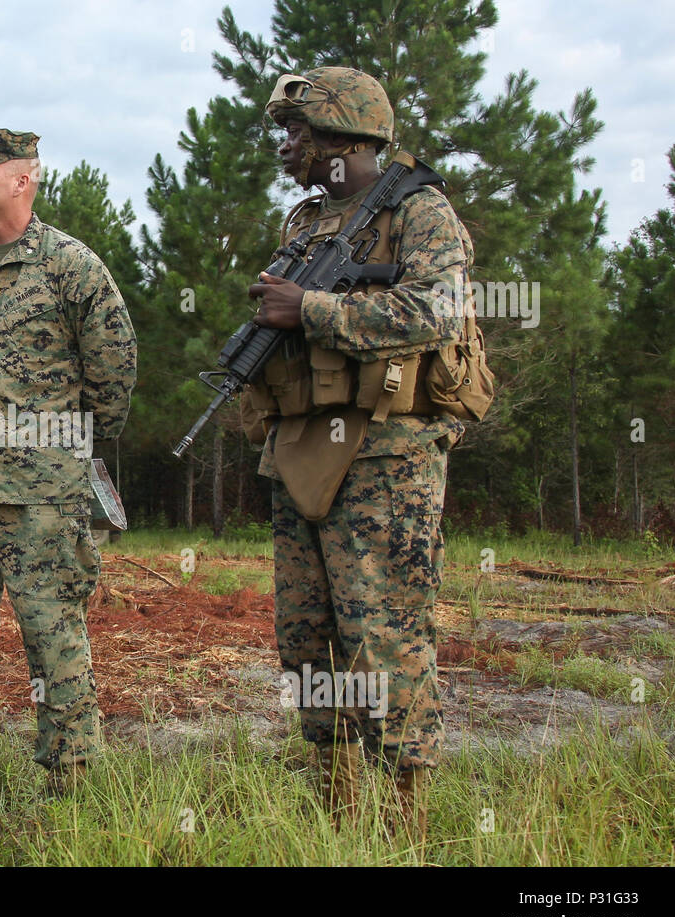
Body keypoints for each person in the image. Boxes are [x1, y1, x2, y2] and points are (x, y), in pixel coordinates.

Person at [243, 67, 477, 838]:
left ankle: (402, 822)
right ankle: (334, 804)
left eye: (297, 133)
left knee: (385, 635)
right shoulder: (304, 223)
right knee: (306, 639)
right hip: (301, 447)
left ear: (343, 136)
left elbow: (436, 313)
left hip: (388, 452)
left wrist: (309, 307)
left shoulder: (421, 213)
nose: (286, 147)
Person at [0, 126, 137, 794]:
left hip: (43, 491)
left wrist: (62, 448)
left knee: (51, 628)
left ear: (25, 178)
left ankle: (70, 774)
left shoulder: (70, 266)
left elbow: (114, 370)